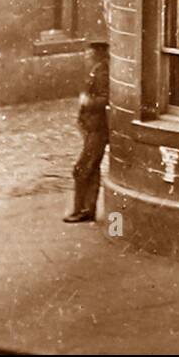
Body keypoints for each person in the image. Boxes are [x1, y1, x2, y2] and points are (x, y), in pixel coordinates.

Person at [64, 41, 110, 223]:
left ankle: (82, 210)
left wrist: (87, 102)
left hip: (98, 128)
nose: (86, 58)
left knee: (82, 169)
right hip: (92, 127)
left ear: (98, 55)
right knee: (91, 168)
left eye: (89, 55)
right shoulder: (97, 70)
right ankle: (87, 209)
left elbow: (106, 99)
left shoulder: (102, 72)